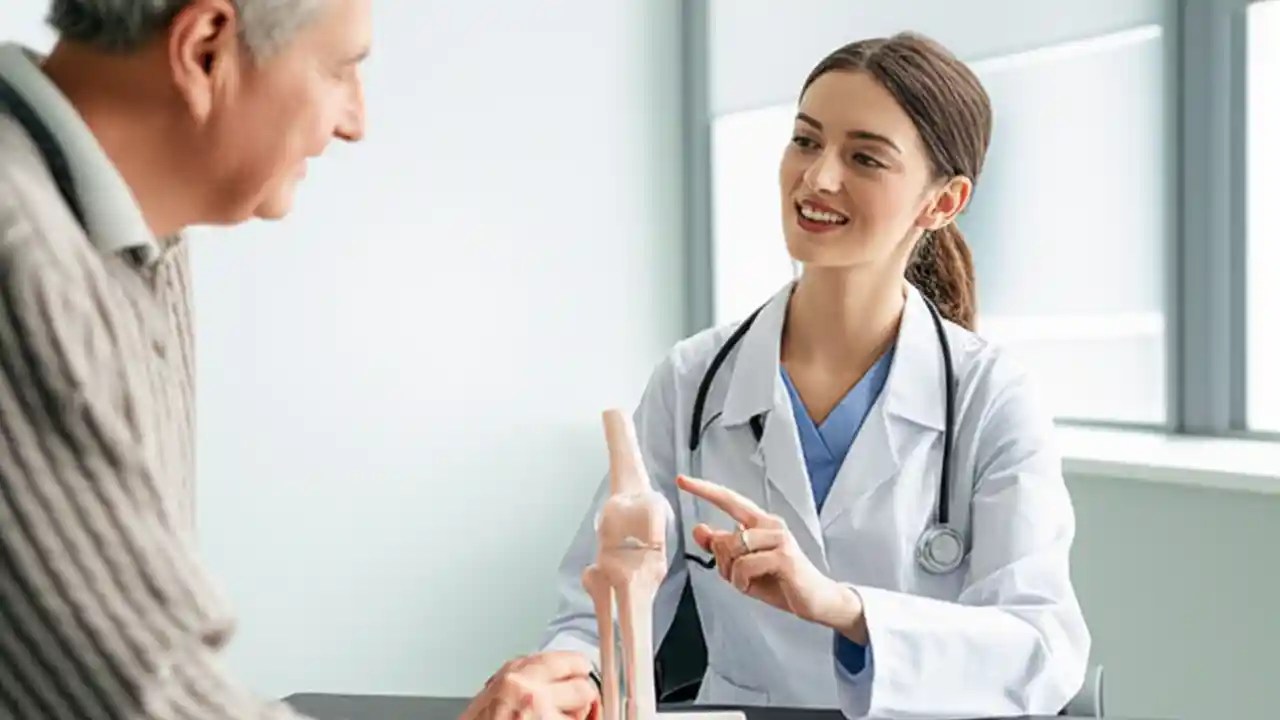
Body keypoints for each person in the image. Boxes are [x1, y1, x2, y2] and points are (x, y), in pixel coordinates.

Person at [0, 2, 595, 719]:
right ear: (206, 49)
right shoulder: (24, 258)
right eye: (342, 70)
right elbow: (137, 696)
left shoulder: (135, 233)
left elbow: (155, 658)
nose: (355, 121)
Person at [501, 31, 1092, 719]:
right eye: (806, 141)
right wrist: (566, 679)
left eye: (864, 157)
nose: (817, 179)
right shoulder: (693, 383)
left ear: (943, 201)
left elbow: (1041, 651)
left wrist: (843, 608)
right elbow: (596, 608)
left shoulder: (993, 400)